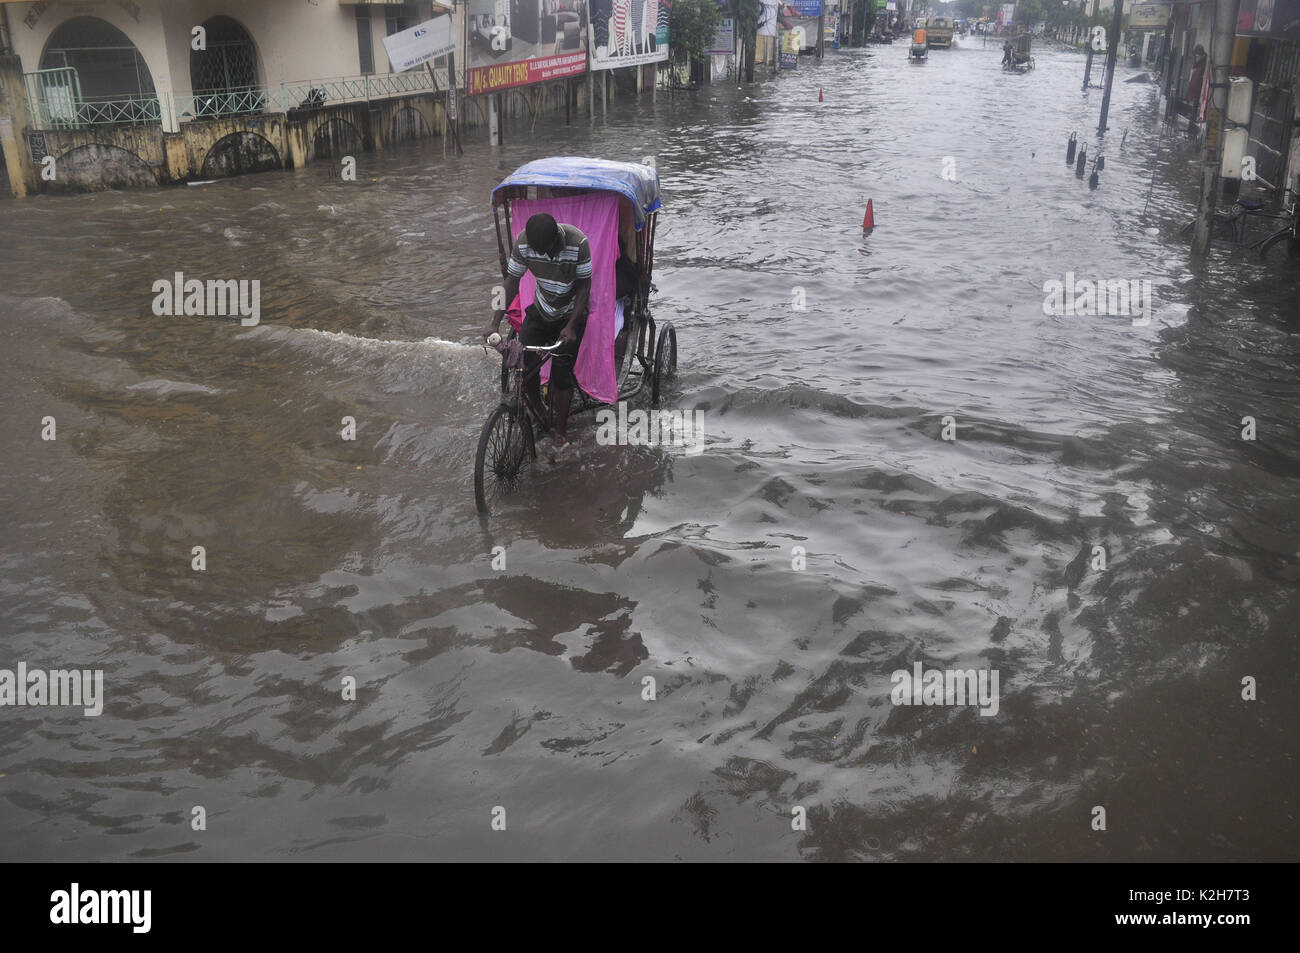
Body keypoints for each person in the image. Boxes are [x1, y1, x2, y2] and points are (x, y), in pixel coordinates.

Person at [483, 213, 592, 459]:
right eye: (540, 252)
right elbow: (510, 283)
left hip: (570, 314)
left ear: (557, 239)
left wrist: (572, 325)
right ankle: (538, 409)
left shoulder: (578, 243)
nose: (547, 255)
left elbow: (585, 286)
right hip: (541, 310)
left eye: (550, 250)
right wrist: (494, 322)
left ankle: (561, 435)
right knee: (525, 364)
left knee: (561, 376)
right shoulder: (523, 243)